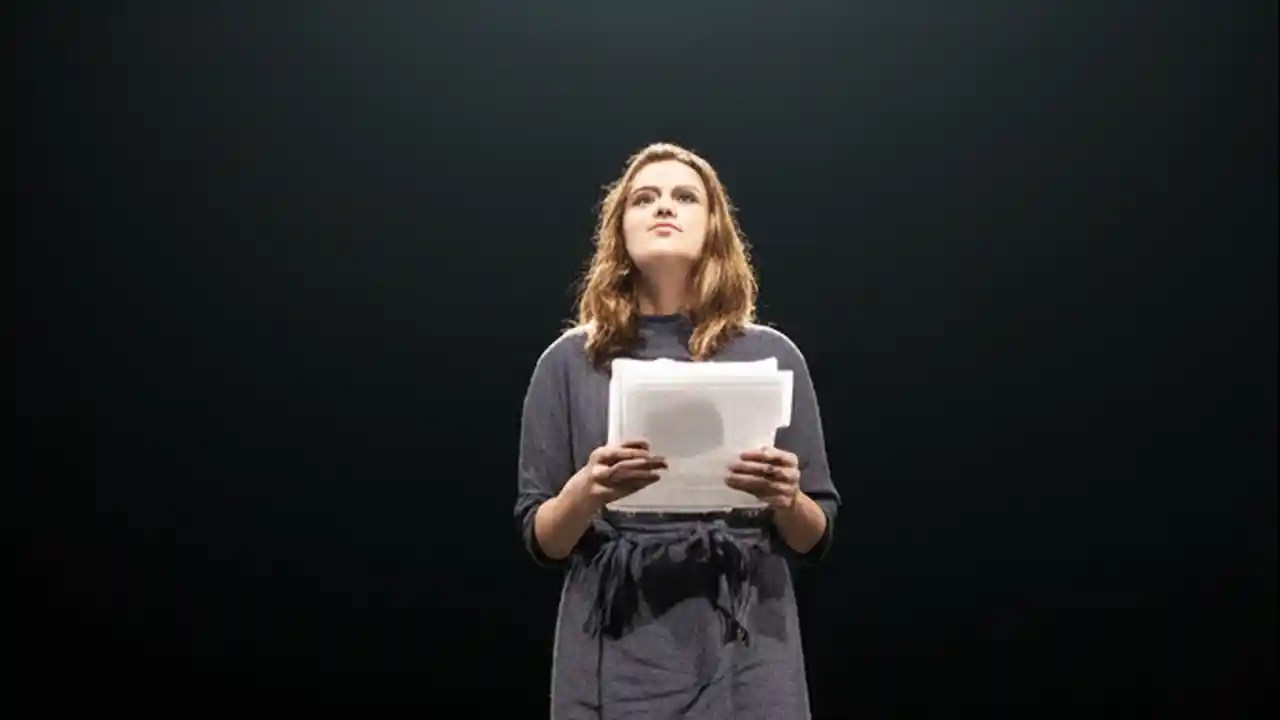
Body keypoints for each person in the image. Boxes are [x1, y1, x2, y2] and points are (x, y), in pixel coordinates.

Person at [514, 141, 841, 719]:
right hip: (616, 641)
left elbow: (815, 534)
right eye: (645, 198)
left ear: (714, 224)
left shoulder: (771, 354)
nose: (664, 207)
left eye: (684, 196)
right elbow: (541, 537)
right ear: (619, 229)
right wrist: (588, 488)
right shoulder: (569, 362)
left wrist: (786, 497)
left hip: (746, 641)